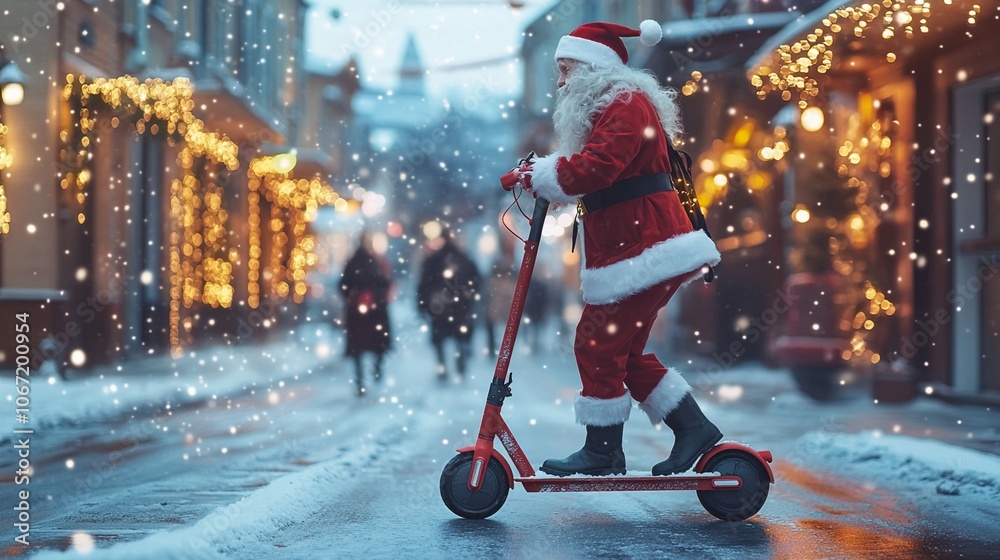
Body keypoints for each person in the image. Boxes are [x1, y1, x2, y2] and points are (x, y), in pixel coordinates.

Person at [511, 20, 723, 476]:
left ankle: (604, 451)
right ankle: (693, 429)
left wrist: (543, 175)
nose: (561, 82)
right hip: (635, 247)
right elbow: (595, 167)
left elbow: (598, 167)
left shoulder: (625, 103)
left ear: (593, 67)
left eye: (566, 69)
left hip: (647, 248)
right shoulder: (615, 105)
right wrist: (543, 173)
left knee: (597, 342)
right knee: (623, 353)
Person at [417, 228, 482, 380]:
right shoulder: (463, 258)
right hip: (460, 305)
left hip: (439, 305)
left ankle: (442, 365)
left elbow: (424, 284)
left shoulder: (433, 259)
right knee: (460, 335)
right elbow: (476, 279)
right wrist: (469, 295)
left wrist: (423, 304)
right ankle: (459, 359)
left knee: (439, 337)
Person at [339, 231, 394, 396]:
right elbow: (384, 282)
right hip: (374, 310)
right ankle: (372, 372)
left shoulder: (353, 262)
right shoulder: (375, 262)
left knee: (358, 348)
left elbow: (343, 285)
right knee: (377, 343)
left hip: (359, 312)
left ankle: (361, 379)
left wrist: (352, 297)